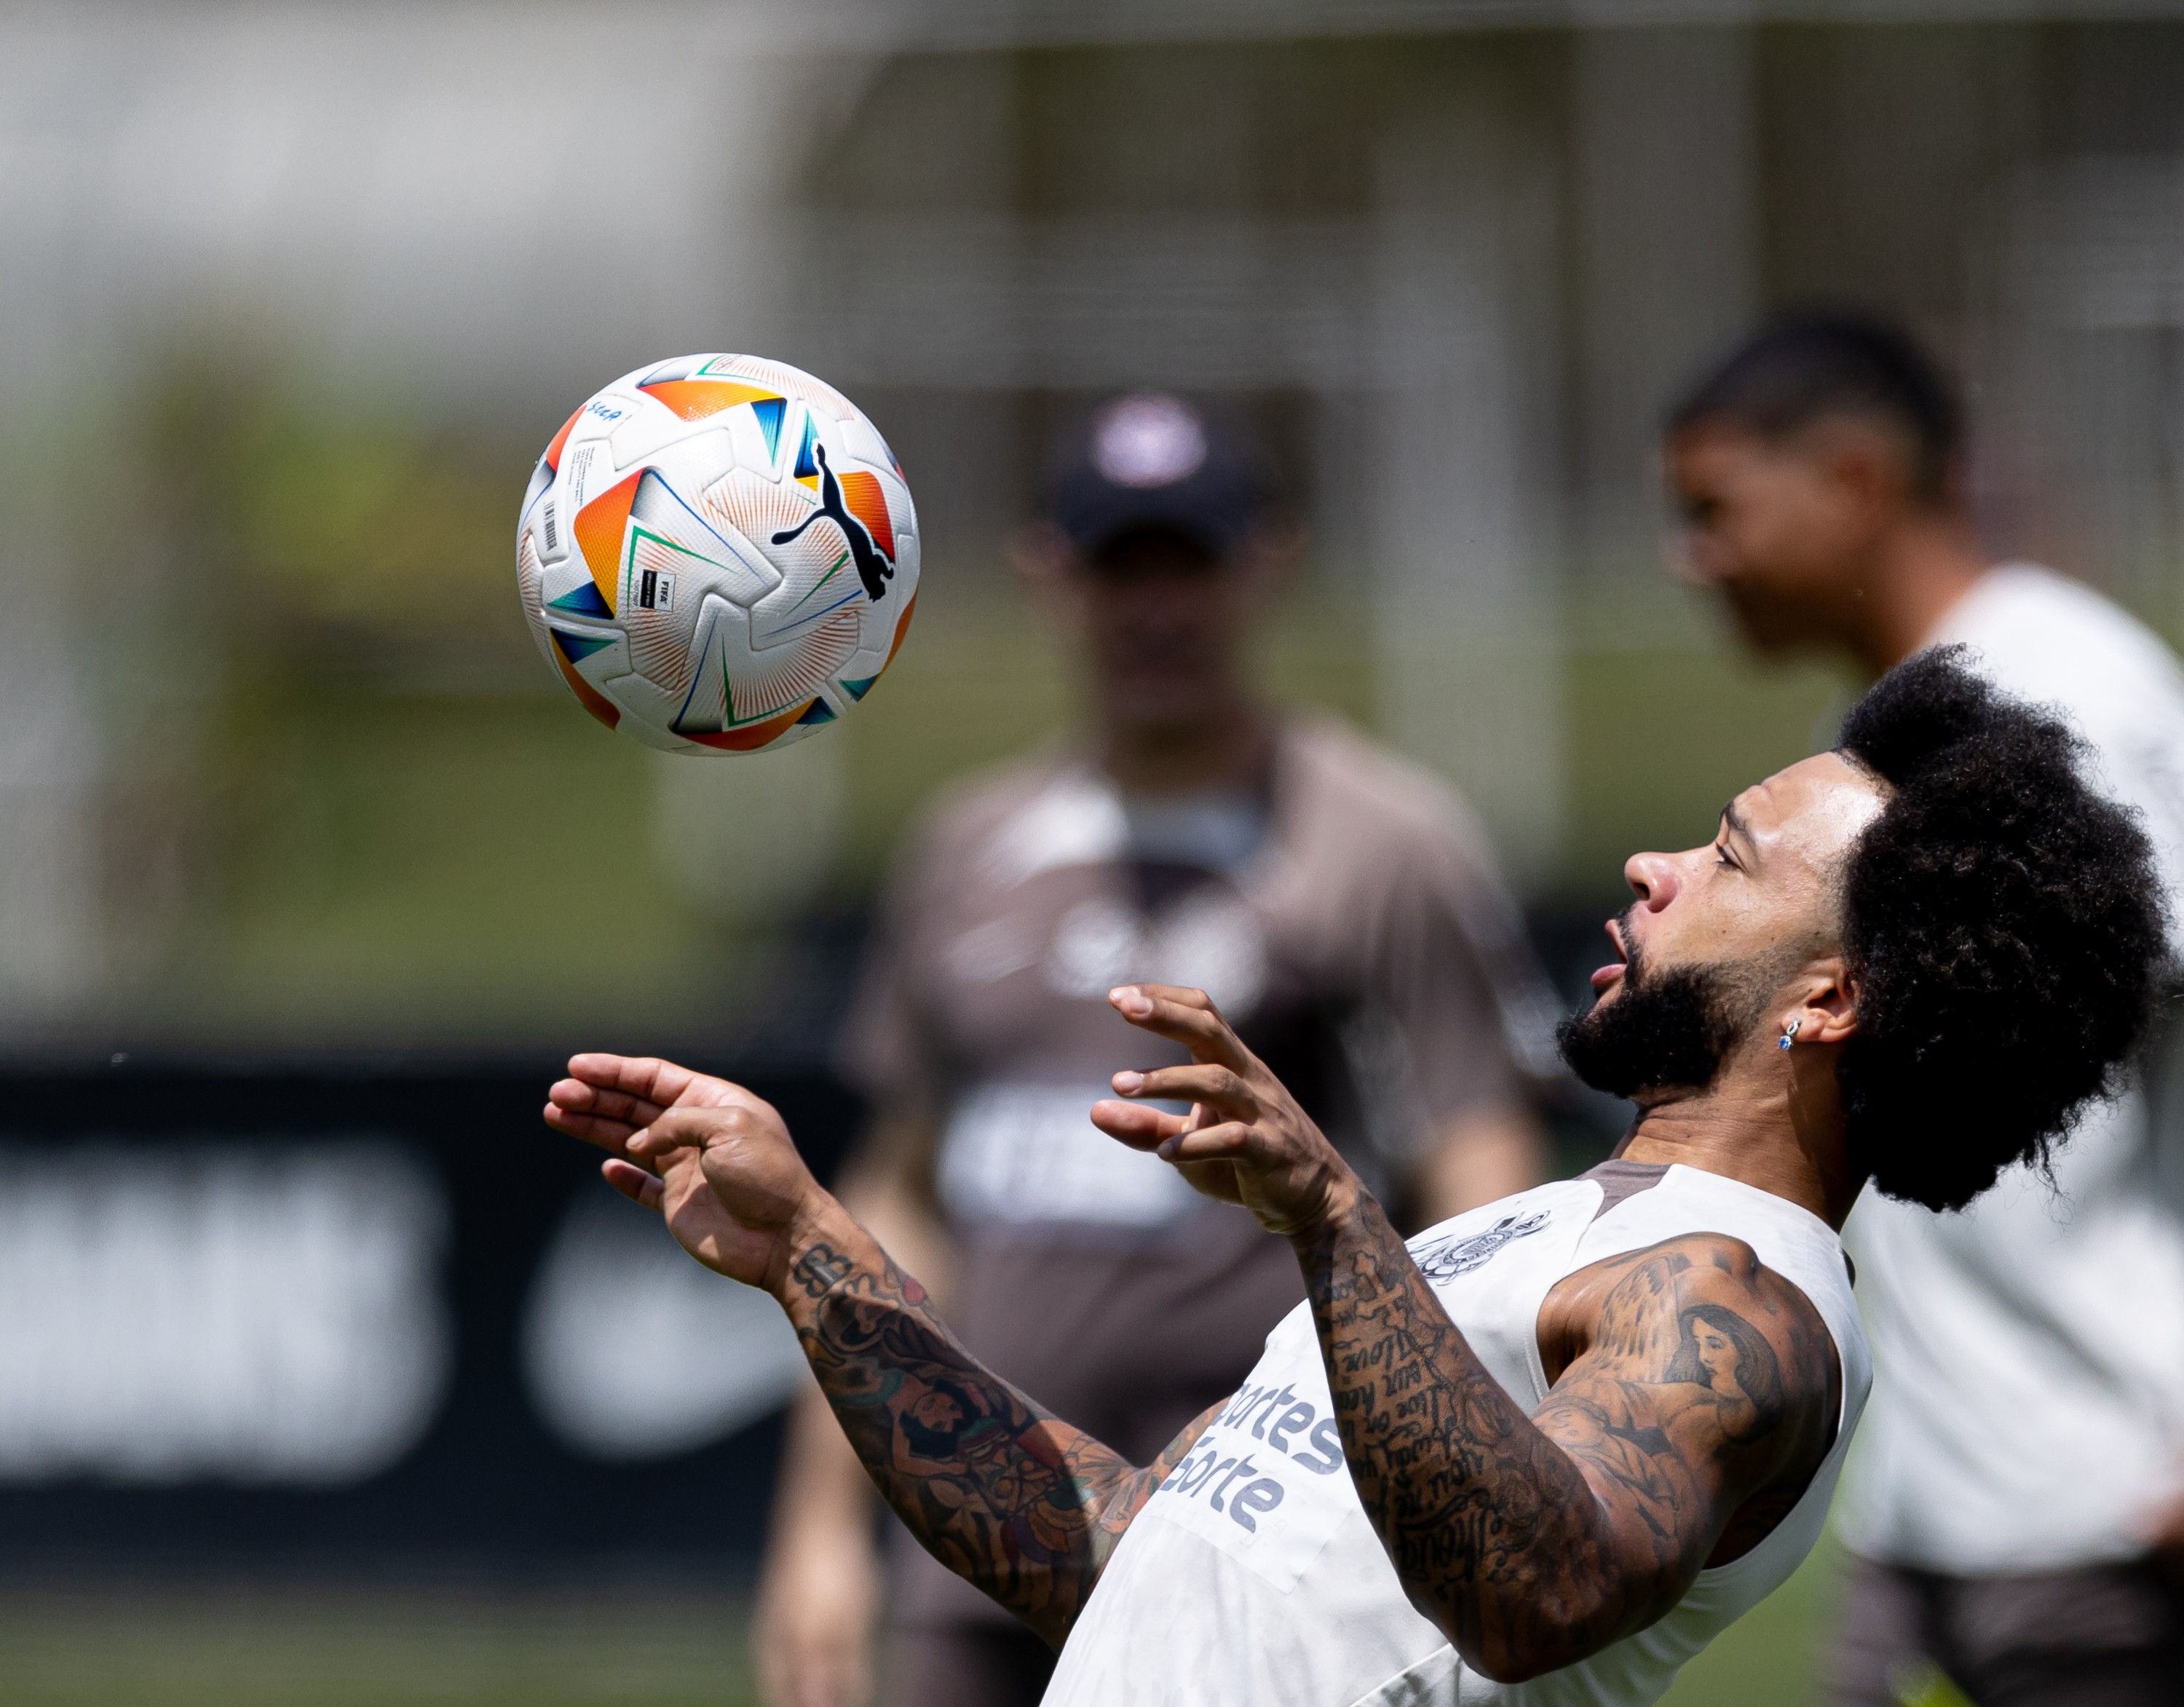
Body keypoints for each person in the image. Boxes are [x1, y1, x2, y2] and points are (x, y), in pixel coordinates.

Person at [545, 649, 2164, 1706]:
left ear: (1832, 1000)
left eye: (1729, 858)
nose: (1653, 866)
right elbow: (1117, 1553)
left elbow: (1535, 1595)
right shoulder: (1560, 1229)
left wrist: (1334, 1218)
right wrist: (814, 1256)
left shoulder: (1739, 1301)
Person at [756, 392, 1560, 1707]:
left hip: (1264, 1552)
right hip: (972, 1528)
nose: (1157, 606)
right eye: (1120, 563)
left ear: (1268, 563)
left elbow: (1485, 1172)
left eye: (1190, 559)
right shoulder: (966, 847)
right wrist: (817, 1534)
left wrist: (1476, 1486)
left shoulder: (1381, 841)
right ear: (1048, 575)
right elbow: (906, 1189)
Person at [1664, 312, 2184, 1703]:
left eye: (1714, 508)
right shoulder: (1922, 706)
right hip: (1942, 1511)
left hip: (2109, 1514)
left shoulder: (2063, 695)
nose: (1689, 556)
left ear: (1851, 481)